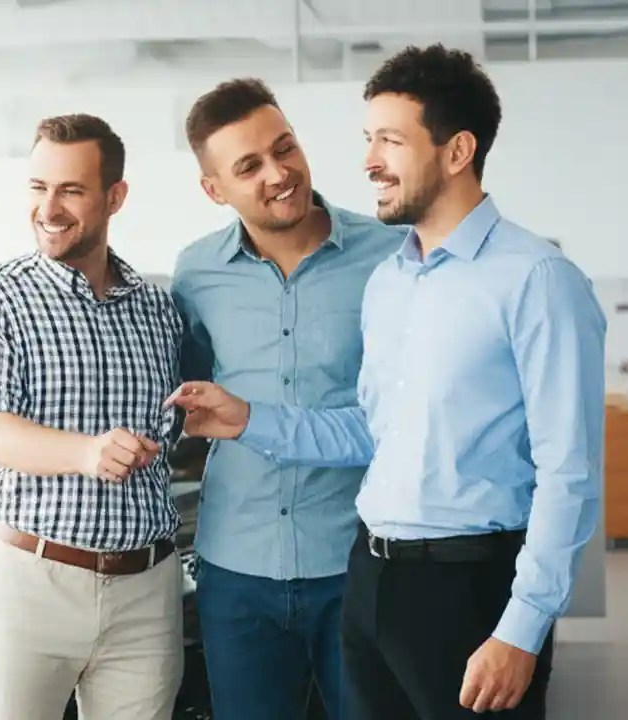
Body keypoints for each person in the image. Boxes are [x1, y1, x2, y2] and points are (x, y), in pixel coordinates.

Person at [166, 44, 605, 720]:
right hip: (371, 579)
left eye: (390, 141)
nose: (369, 160)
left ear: (457, 152)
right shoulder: (394, 280)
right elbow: (371, 429)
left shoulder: (537, 280)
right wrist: (249, 419)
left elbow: (569, 471)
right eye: (369, 139)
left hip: (468, 580)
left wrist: (523, 626)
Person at [170, 78, 402, 720]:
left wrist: (254, 421)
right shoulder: (195, 275)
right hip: (235, 571)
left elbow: (397, 422)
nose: (279, 173)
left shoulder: (389, 257)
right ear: (214, 190)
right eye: (249, 166)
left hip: (358, 564)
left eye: (285, 148)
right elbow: (184, 410)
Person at [0, 113, 185, 720]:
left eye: (71, 191)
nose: (48, 208)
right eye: (38, 187)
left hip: (146, 591)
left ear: (115, 197)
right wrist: (86, 453)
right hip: (31, 583)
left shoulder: (159, 310)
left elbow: (180, 431)